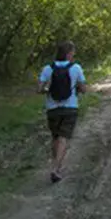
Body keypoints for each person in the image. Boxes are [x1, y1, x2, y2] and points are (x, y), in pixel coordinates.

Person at [37, 40, 87, 183]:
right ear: (69, 54)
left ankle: (56, 165)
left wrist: (49, 89)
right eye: (73, 52)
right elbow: (83, 89)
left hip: (52, 109)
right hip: (70, 108)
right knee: (63, 138)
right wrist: (76, 87)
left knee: (55, 137)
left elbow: (39, 89)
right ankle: (56, 168)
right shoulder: (76, 68)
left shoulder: (48, 68)